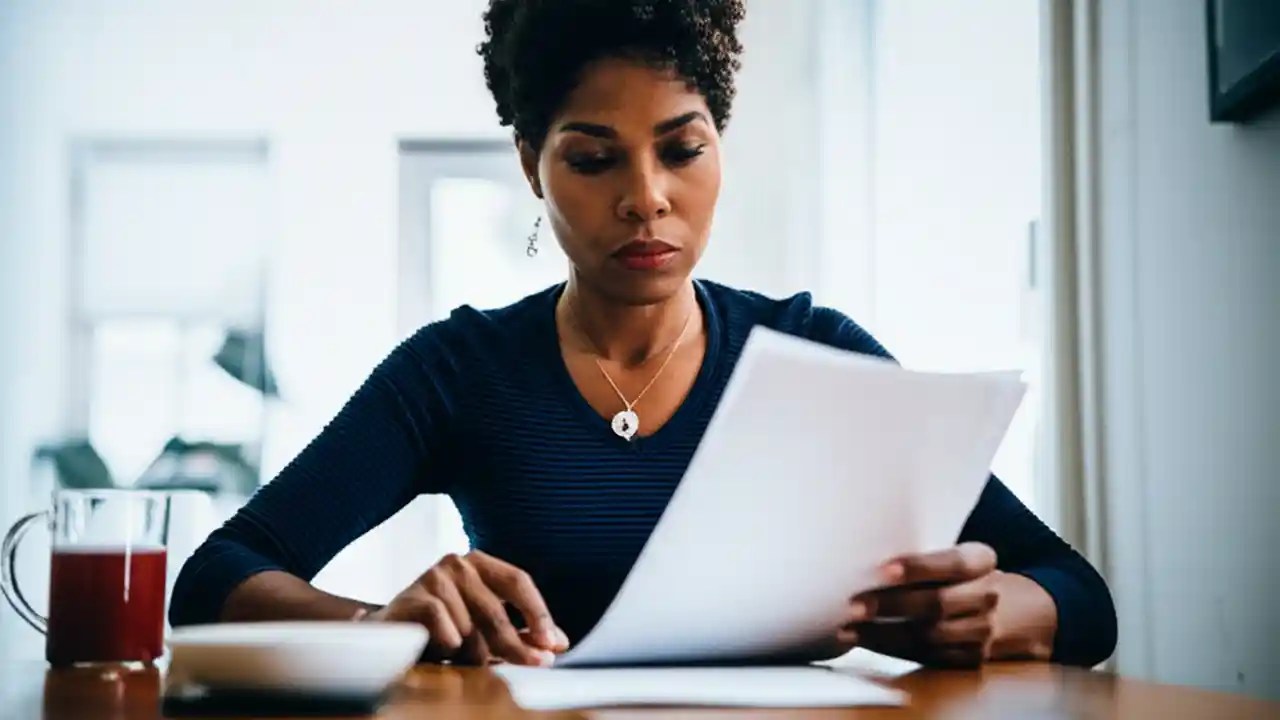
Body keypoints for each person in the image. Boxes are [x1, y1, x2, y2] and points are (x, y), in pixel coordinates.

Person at [170, 0, 1117, 669]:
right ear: (531, 165)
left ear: (720, 144)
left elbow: (1079, 596)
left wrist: (988, 616)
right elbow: (217, 577)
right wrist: (386, 622)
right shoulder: (457, 371)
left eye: (682, 148)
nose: (646, 198)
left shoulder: (816, 352)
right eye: (592, 158)